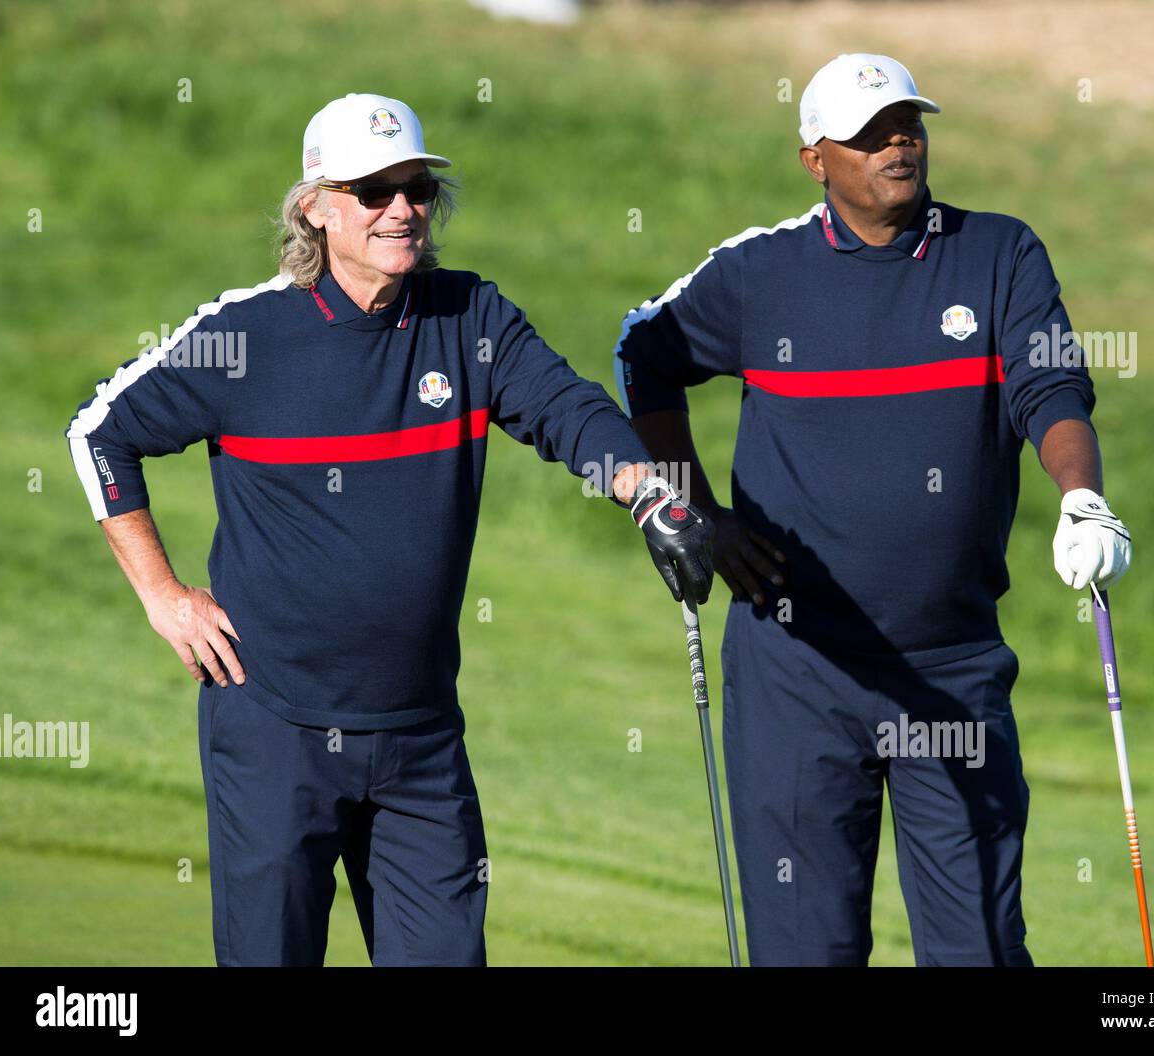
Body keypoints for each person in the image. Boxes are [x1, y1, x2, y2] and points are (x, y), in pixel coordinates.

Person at [66, 92, 712, 966]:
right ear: (315, 207)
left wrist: (646, 491)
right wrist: (164, 596)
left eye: (416, 188)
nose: (402, 209)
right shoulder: (246, 336)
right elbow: (100, 432)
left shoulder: (470, 318)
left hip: (420, 740)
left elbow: (565, 409)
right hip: (274, 729)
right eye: (373, 191)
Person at [614, 54, 1131, 966]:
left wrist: (1082, 499)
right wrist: (689, 510)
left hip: (951, 668)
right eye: (868, 133)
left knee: (978, 946)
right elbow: (642, 351)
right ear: (816, 159)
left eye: (908, 124)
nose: (897, 143)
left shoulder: (999, 253)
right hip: (794, 675)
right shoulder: (759, 273)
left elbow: (1049, 386)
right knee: (805, 949)